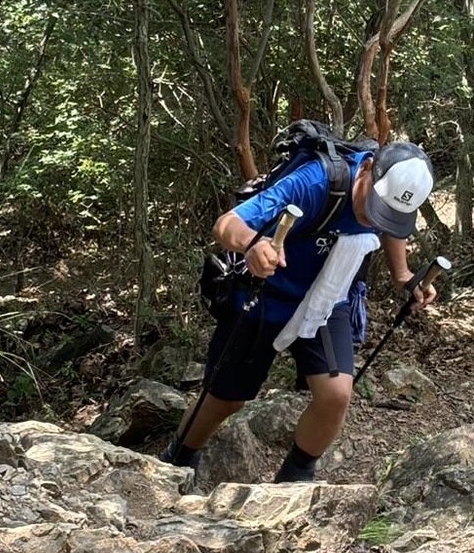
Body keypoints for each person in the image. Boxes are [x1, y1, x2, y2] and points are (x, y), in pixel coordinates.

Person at [163, 141, 437, 484]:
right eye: (374, 205)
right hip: (267, 294)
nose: (372, 216)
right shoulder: (316, 182)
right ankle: (178, 459)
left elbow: (392, 228)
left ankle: (295, 478)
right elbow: (226, 224)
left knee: (336, 395)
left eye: (387, 212)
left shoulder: (388, 199)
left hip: (328, 297)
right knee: (225, 399)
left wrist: (403, 276)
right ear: (367, 168)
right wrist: (253, 245)